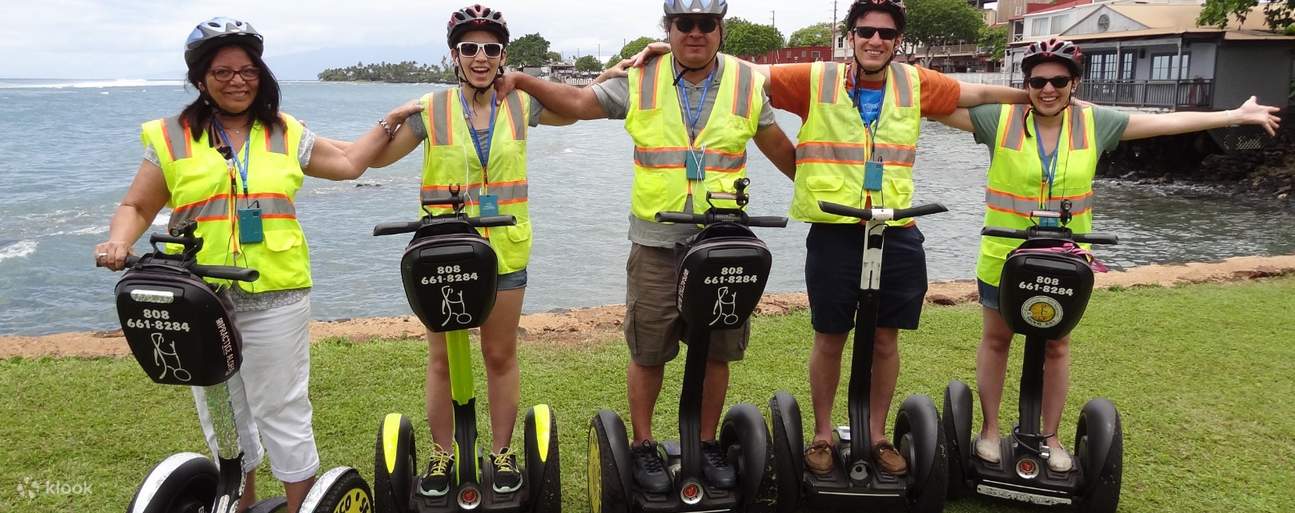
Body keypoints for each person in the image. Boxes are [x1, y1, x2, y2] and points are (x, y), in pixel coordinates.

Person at [629, 0, 1036, 476]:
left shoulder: (915, 82)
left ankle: (879, 434)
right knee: (829, 337)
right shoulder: (815, 78)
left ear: (897, 40)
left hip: (897, 226)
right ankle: (823, 435)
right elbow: (737, 74)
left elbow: (972, 92)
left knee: (885, 339)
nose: (875, 40)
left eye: (886, 33)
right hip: (835, 229)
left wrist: (1033, 95)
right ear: (851, 36)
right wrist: (670, 50)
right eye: (866, 31)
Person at [93, 17, 417, 513]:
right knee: (224, 415)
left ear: (261, 75)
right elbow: (136, 206)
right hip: (199, 297)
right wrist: (117, 241)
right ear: (201, 79)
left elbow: (352, 161)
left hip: (276, 294)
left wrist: (394, 120)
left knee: (282, 409)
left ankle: (297, 506)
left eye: (248, 70)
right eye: (223, 72)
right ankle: (237, 505)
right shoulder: (172, 137)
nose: (238, 80)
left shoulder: (286, 132)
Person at [932, 37, 1281, 472]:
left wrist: (1234, 115)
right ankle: (988, 430)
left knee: (1056, 345)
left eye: (1058, 80)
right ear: (1025, 84)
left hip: (1067, 259)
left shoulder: (1096, 123)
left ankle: (1051, 437)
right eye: (1036, 81)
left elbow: (1166, 123)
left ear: (1074, 82)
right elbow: (932, 103)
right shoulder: (997, 120)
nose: (1047, 89)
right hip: (1004, 255)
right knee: (997, 339)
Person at [494, 0, 797, 493]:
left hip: (723, 241)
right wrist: (524, 81)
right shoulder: (641, 77)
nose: (695, 33)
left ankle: (707, 440)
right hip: (657, 241)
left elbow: (782, 150)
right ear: (668, 29)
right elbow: (575, 103)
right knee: (649, 348)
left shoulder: (748, 82)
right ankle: (642, 444)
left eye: (706, 24)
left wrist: (825, 200)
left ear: (720, 30)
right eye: (684, 24)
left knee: (719, 347)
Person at [358, 4, 582, 497]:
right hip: (445, 254)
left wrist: (602, 74)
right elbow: (370, 161)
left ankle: (501, 451)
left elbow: (580, 103)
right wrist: (389, 118)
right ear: (454, 56)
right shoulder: (431, 110)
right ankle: (442, 455)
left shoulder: (524, 105)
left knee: (499, 354)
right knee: (441, 359)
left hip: (505, 250)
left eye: (490, 48)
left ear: (503, 55)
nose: (480, 57)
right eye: (469, 48)